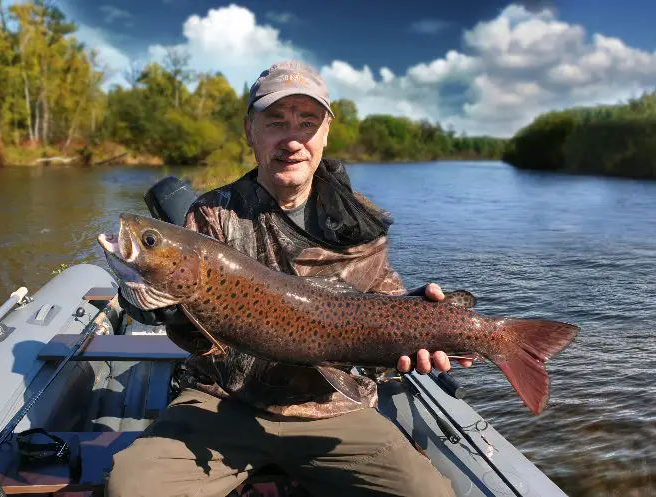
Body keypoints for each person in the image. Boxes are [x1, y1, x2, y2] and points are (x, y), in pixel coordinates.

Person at [107, 60, 471, 497]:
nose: (292, 138)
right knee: (130, 490)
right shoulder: (211, 213)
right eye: (275, 121)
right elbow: (195, 335)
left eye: (307, 122)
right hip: (223, 401)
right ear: (250, 131)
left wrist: (425, 326)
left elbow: (384, 305)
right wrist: (152, 297)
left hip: (334, 409)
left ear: (325, 133)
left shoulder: (359, 222)